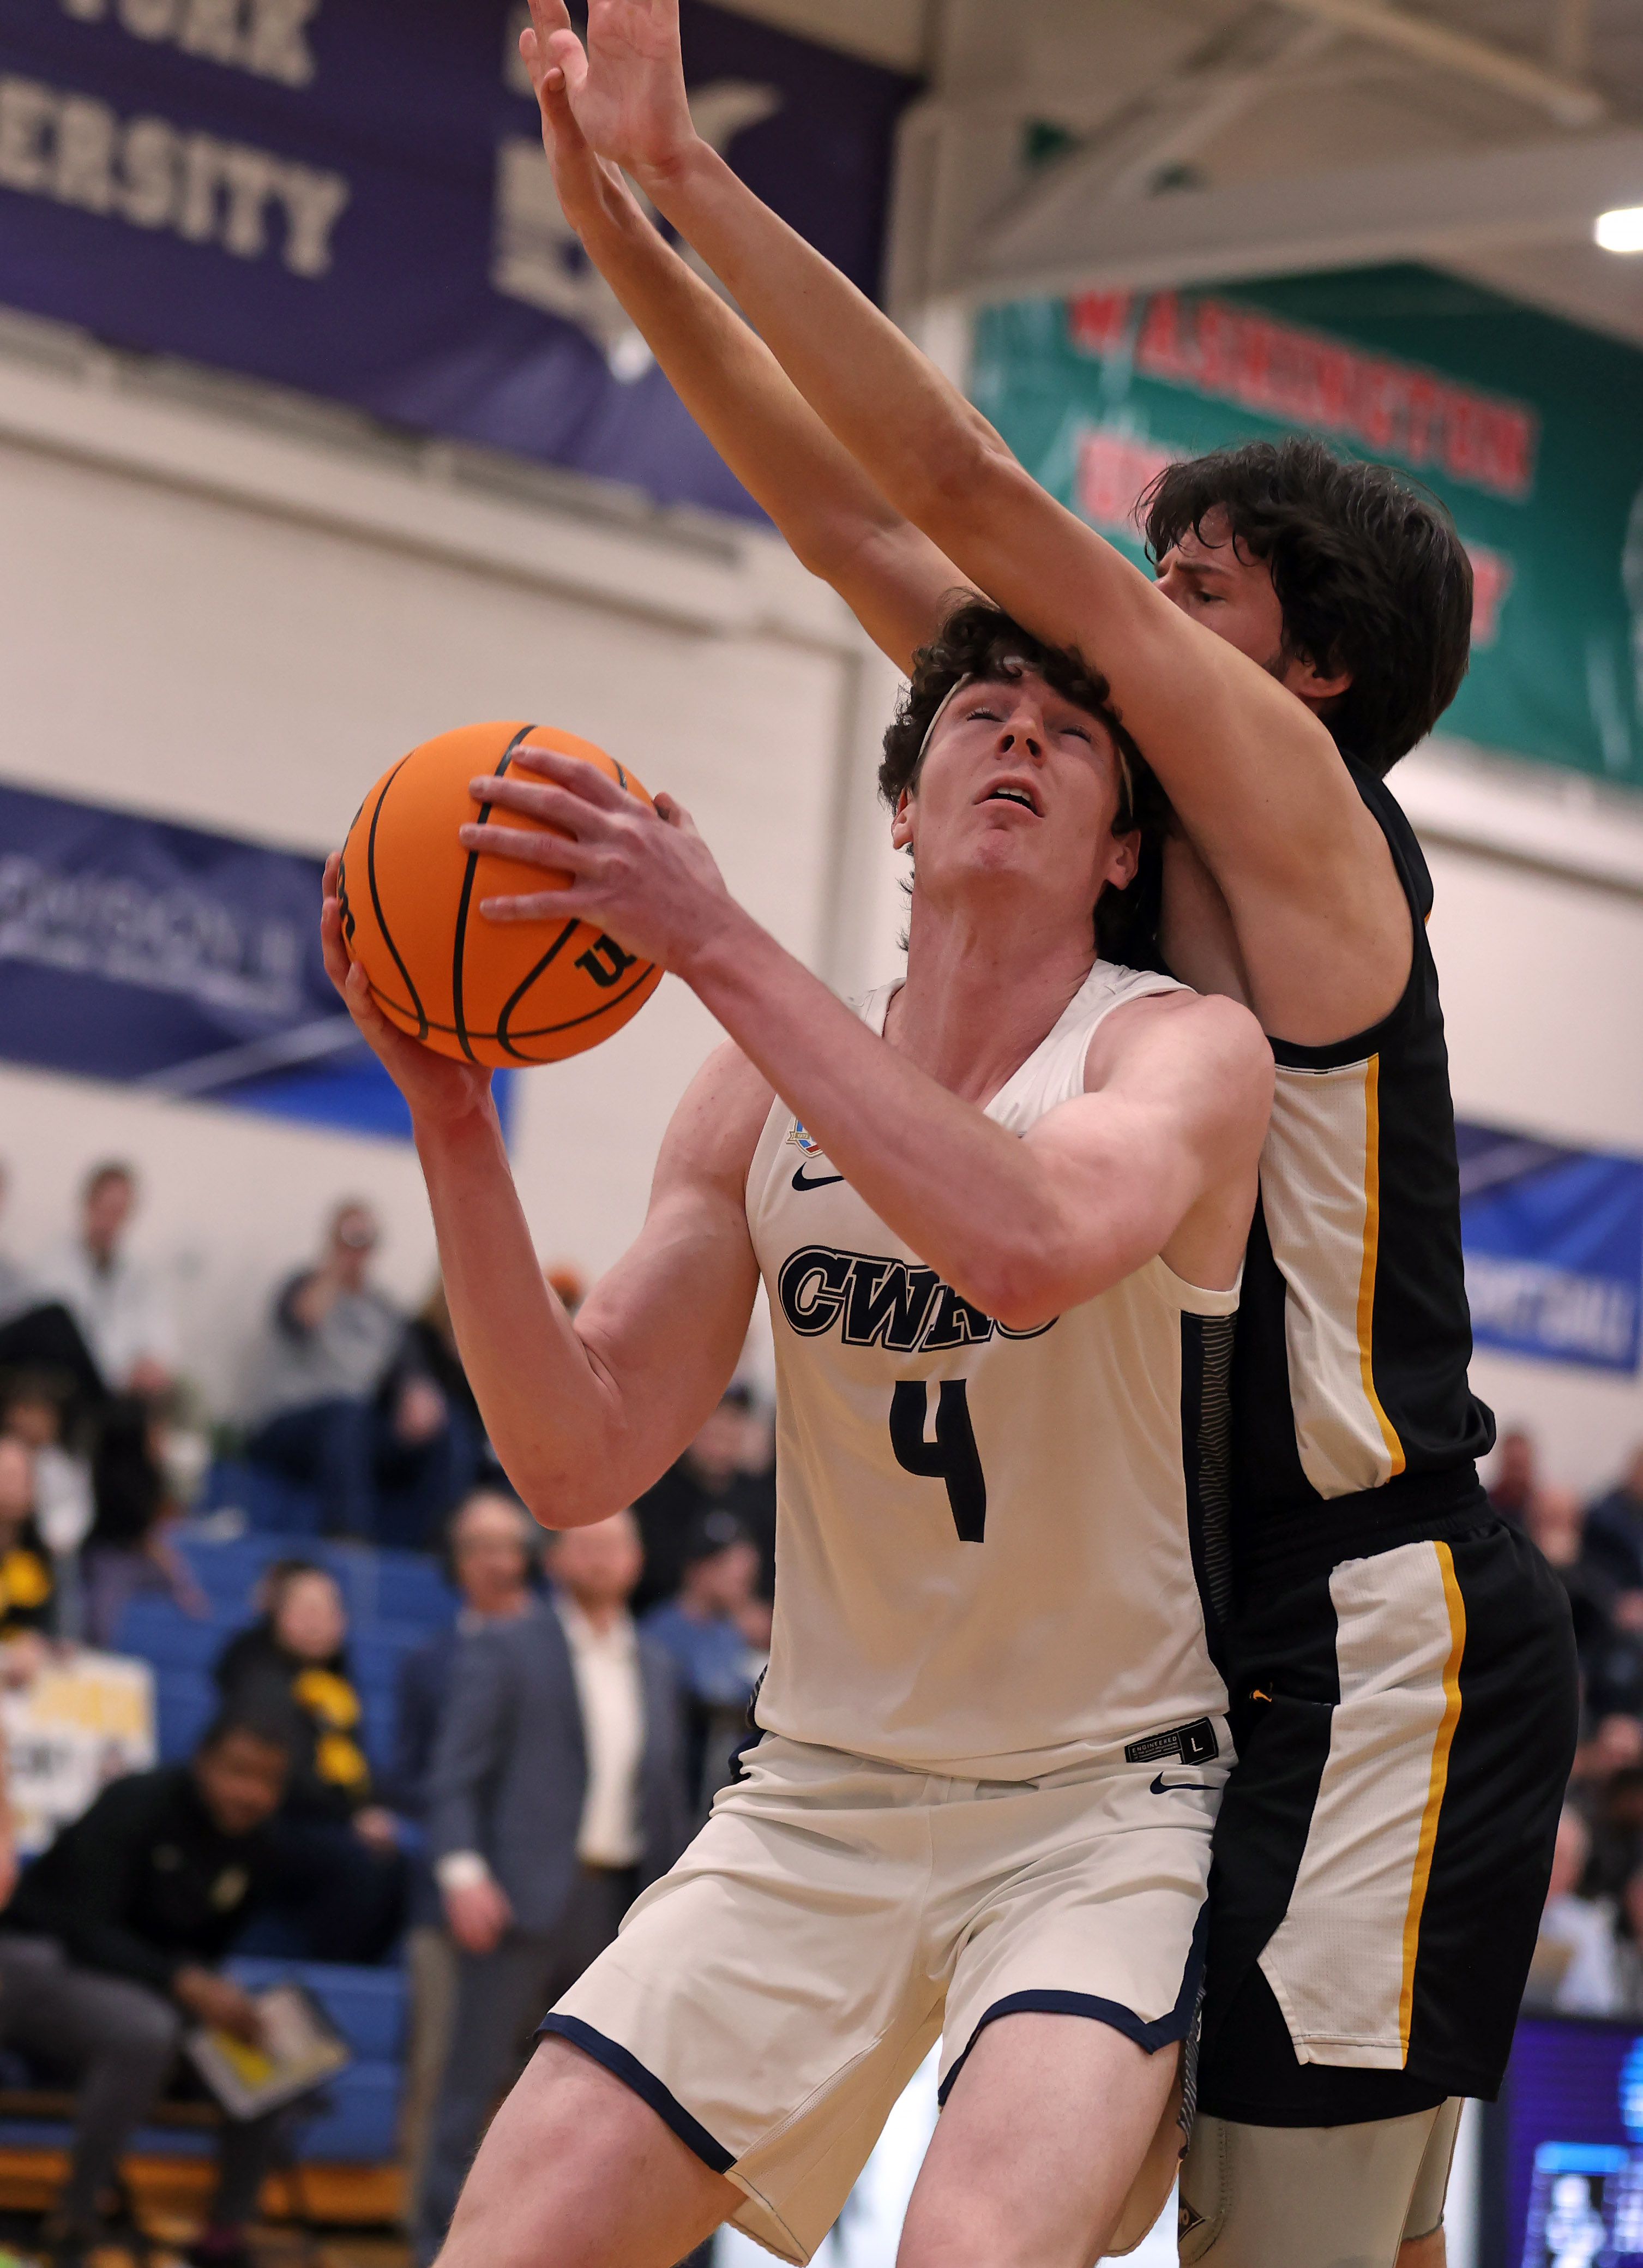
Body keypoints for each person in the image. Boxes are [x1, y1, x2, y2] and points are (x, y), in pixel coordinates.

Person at [518, 11, 1580, 2257]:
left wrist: (699, 174)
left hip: (1381, 1611)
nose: (1120, 616)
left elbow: (980, 496)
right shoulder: (1114, 798)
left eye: (1187, 591)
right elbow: (833, 507)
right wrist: (611, 210)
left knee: (1299, 2239)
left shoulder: (1305, 830)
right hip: (1212, 1622)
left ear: (1307, 679)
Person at [321, 564, 1272, 2268]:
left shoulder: (1174, 1052)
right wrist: (455, 1122)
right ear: (902, 812)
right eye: (981, 715)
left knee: (965, 2250)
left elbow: (1026, 1244)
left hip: (1098, 1809)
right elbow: (576, 1452)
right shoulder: (750, 1088)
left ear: (1122, 850)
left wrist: (712, 938)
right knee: (506, 2240)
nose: (1020, 745)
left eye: (1069, 738)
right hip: (815, 1794)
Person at [417, 1509, 690, 2263]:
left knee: (607, 2094)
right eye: (588, 1542)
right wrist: (462, 1870)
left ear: (638, 1560)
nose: (603, 1556)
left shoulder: (659, 1663)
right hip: (518, 1896)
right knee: (470, 2084)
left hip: (618, 1904)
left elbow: (663, 1797)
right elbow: (455, 1772)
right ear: (556, 1558)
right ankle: (435, 2246)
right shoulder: (508, 1645)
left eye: (618, 1543)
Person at [0, 1707, 296, 2265]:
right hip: (37, 1960)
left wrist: (212, 1994)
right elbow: (82, 1928)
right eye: (239, 1772)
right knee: (144, 2032)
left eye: (269, 1781)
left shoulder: (259, 1847)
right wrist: (184, 1983)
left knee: (271, 2046)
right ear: (204, 1764)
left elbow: (200, 1952)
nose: (252, 1793)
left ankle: (223, 2236)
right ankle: (75, 2220)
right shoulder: (138, 1801)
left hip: (143, 1984)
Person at [383, 1490, 541, 2204]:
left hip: (553, 1900)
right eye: (478, 1545)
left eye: (506, 1544)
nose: (495, 1560)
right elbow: (413, 1776)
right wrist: (462, 1861)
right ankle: (428, 2234)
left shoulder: (563, 1650)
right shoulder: (429, 1661)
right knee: (438, 2069)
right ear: (457, 1560)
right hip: (452, 1902)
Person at [213, 1560, 405, 1963]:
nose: (320, 1622)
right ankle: (328, 1971)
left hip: (324, 1820)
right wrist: (352, 1817)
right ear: (277, 1616)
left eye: (330, 1610)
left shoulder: (337, 1685)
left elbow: (353, 1768)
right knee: (356, 1864)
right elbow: (280, 1776)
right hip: (269, 1823)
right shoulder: (258, 1679)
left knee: (402, 1865)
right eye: (306, 1610)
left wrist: (371, 1808)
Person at [243, 1203, 462, 1546]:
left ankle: (434, 1543)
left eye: (365, 1239)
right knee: (346, 1415)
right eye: (349, 1237)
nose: (357, 1247)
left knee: (447, 1428)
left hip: (355, 1432)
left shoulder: (385, 1310)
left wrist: (418, 1398)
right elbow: (303, 1319)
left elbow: (409, 1374)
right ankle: (348, 1537)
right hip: (290, 1424)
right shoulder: (302, 1286)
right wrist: (335, 1266)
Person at [641, 1509, 762, 1810]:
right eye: (730, 1571)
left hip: (714, 1778)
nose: (742, 1584)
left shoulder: (727, 1630)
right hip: (670, 1781)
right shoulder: (660, 1630)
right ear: (698, 1570)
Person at [33, 1163, 175, 1401]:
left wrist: (151, 1364)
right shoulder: (51, 1266)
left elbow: (158, 1332)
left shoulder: (139, 1275)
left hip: (124, 1394)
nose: (111, 1221)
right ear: (88, 1204)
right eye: (107, 1209)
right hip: (68, 1390)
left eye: (120, 1212)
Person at [631, 1382, 775, 1613]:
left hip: (751, 1635)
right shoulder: (655, 1496)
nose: (723, 1429)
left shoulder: (762, 1497)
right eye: (712, 1417)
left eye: (733, 1419)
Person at [81, 1395, 207, 1649]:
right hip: (107, 1555)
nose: (159, 1434)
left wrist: (182, 1585)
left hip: (136, 1555)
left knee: (177, 1581)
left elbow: (153, 1533)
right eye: (154, 1427)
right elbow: (142, 1537)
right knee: (102, 1622)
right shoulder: (104, 1477)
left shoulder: (149, 1475)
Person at [0, 1431, 58, 1684]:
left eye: (18, 1478)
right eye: (4, 1476)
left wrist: (35, 1642)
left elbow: (52, 1628)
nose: (8, 1486)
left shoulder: (39, 1555)